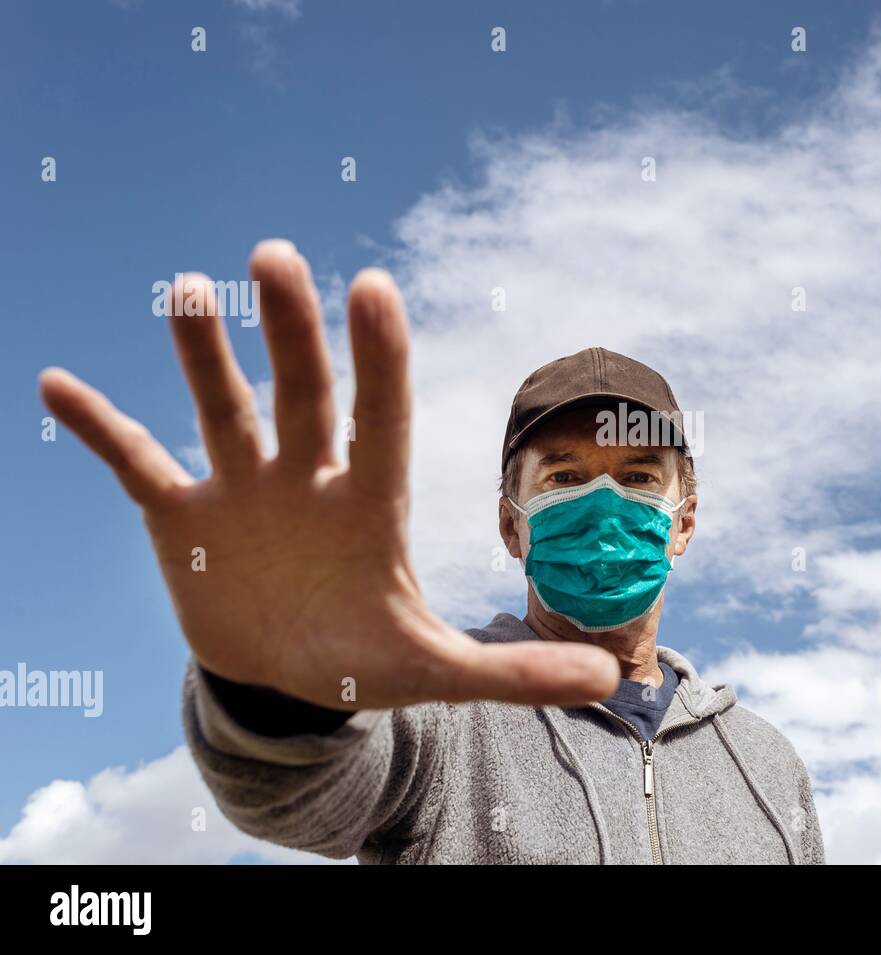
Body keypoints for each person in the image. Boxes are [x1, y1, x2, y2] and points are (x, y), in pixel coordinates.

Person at [38, 238, 825, 864]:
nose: (604, 500)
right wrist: (276, 692)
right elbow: (299, 797)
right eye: (565, 475)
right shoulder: (438, 706)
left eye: (639, 474)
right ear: (510, 522)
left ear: (684, 520)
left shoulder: (764, 762)